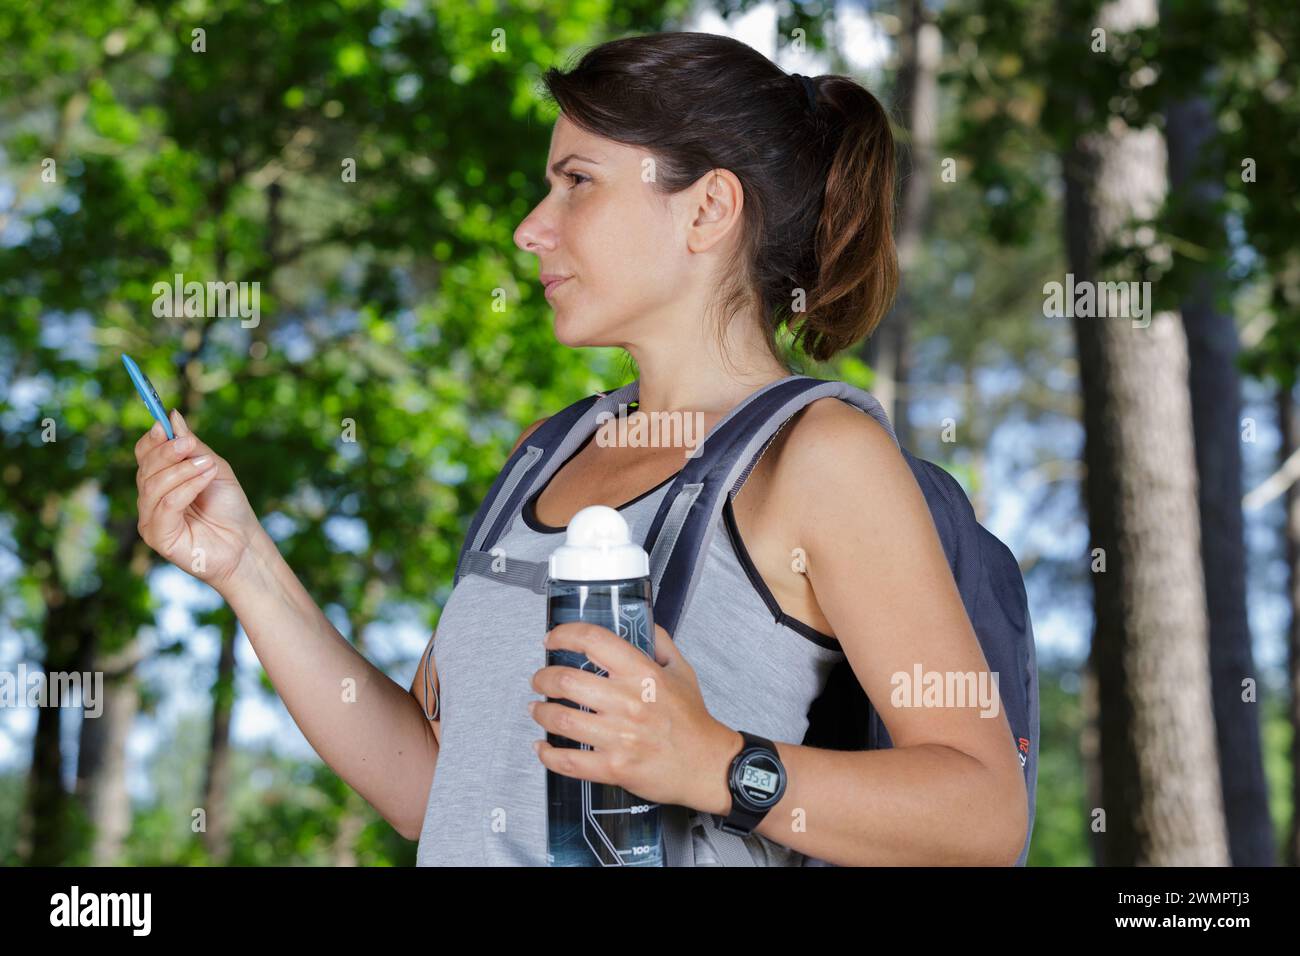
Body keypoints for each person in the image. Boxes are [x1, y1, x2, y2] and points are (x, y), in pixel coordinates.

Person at [133, 30, 1027, 866]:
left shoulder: (815, 454)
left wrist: (714, 763)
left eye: (577, 182)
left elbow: (985, 810)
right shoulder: (548, 451)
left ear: (708, 208)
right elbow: (428, 789)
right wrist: (244, 563)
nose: (531, 227)